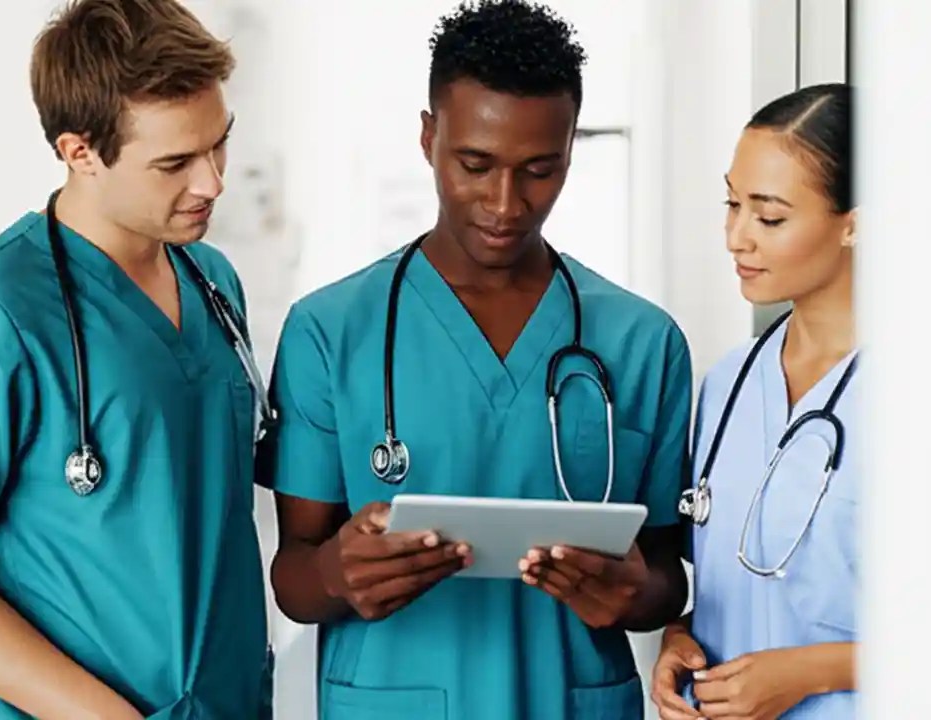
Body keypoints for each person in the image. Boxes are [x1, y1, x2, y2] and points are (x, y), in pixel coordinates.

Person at [266, 1, 692, 718]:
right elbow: (294, 576)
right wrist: (338, 574)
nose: (505, 203)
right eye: (475, 164)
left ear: (569, 153)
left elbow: (665, 579)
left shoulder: (641, 343)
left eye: (539, 170)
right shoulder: (330, 331)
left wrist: (629, 593)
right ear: (428, 137)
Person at [0, 1, 273, 717]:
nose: (212, 182)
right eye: (175, 163)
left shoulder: (212, 282)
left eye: (219, 145)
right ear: (79, 152)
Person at [650, 83, 859, 720]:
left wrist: (812, 671)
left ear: (856, 223)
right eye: (732, 204)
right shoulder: (729, 383)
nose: (736, 238)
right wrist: (680, 638)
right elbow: (746, 587)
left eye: (769, 218)